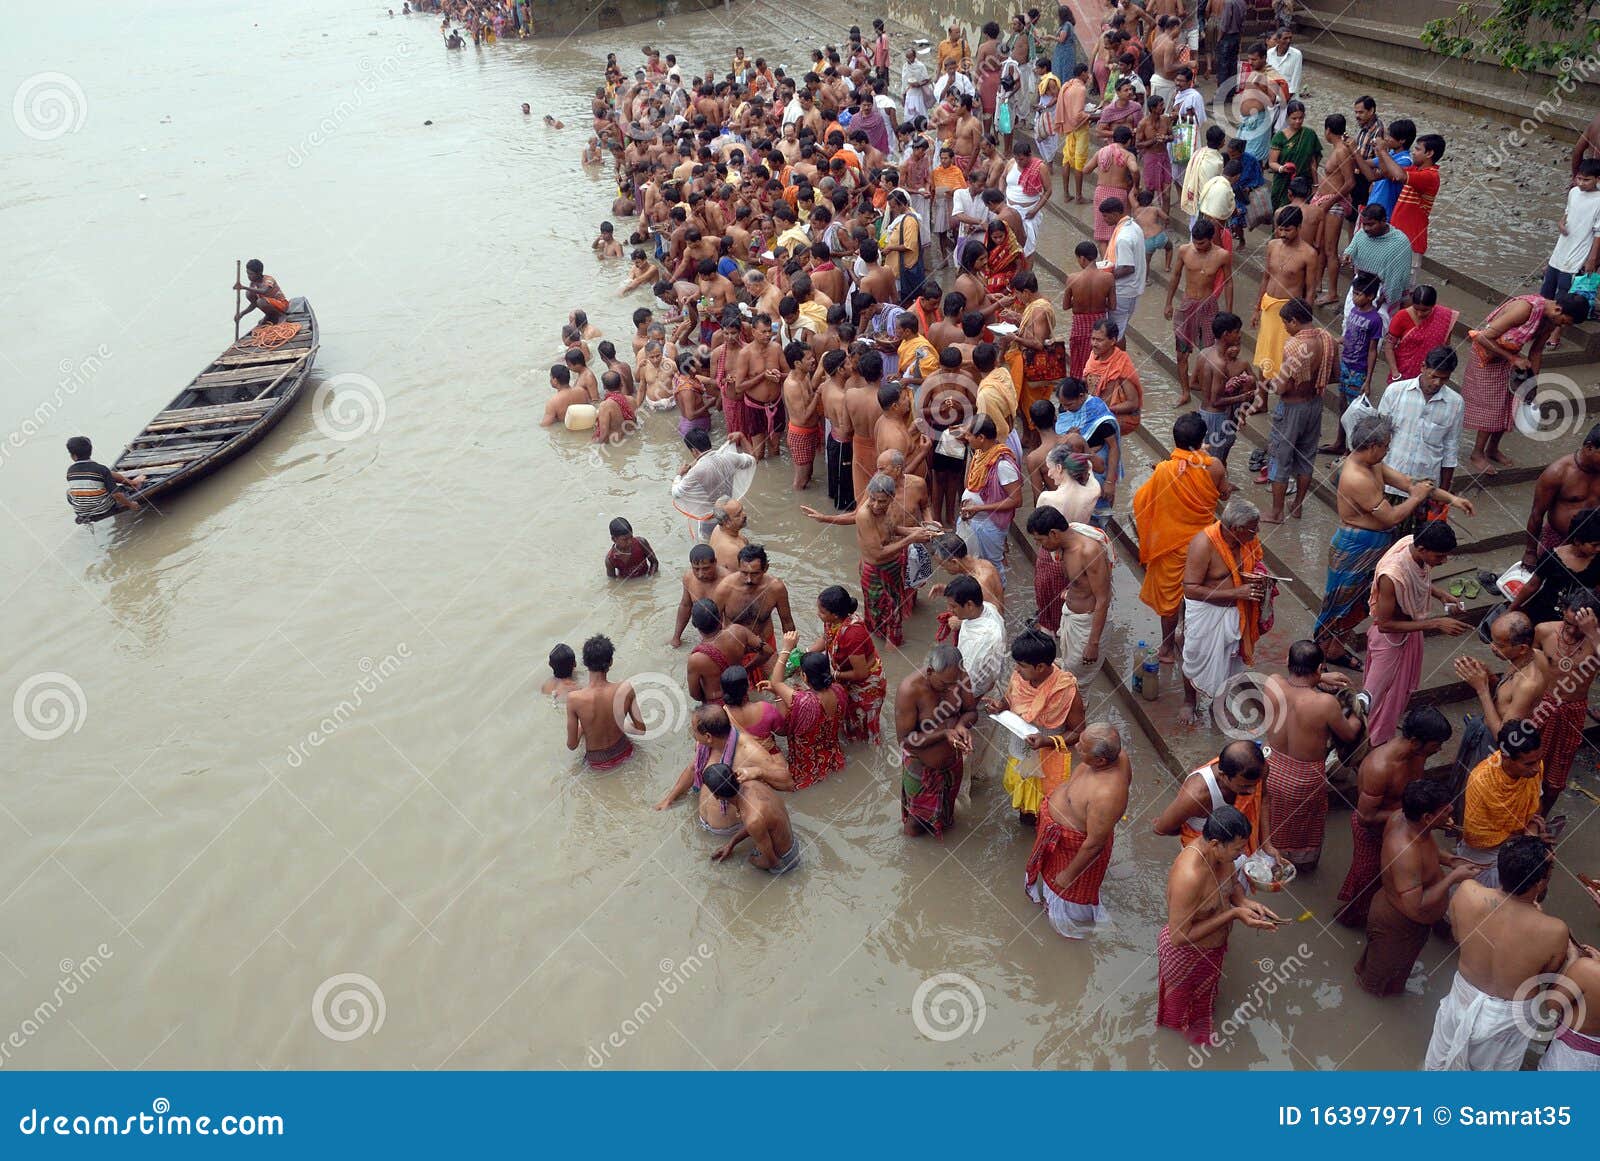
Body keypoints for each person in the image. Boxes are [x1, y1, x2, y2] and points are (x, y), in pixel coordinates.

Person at [1311, 415, 1471, 668]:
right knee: (1338, 606)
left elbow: (1409, 484)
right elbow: (1390, 518)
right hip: (1356, 547)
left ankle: (1335, 650)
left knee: (1363, 603)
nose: (1388, 450)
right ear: (1374, 445)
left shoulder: (1373, 464)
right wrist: (1417, 499)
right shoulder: (1356, 477)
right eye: (1386, 445)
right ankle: (1316, 661)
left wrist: (1452, 499)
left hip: (1377, 543)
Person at [1426, 836, 1572, 1070]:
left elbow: (1457, 935)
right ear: (1540, 884)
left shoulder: (1467, 892)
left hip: (1464, 995)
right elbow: (1547, 975)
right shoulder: (1554, 930)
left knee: (1442, 1059)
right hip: (1508, 1016)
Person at [1158, 806, 1282, 1045]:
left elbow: (1232, 885)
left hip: (1213, 952)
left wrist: (1245, 902)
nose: (1241, 854)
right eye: (1237, 849)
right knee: (1177, 1014)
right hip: (1184, 957)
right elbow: (1178, 937)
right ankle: (1173, 1051)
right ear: (1216, 844)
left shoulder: (1223, 857)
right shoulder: (1190, 876)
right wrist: (1234, 914)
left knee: (1204, 1000)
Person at [1356, 778, 1479, 997]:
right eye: (1446, 810)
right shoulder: (1405, 851)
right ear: (1427, 817)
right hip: (1398, 923)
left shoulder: (1404, 819)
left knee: (1389, 967)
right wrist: (1453, 878)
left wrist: (1450, 860)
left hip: (1406, 919)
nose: (1451, 812)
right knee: (1378, 977)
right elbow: (1417, 902)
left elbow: (1428, 851)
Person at [1336, 707, 1454, 929]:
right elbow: (1365, 817)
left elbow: (1415, 793)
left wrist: (1433, 814)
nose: (1440, 749)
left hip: (1403, 827)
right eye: (1436, 744)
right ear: (1417, 741)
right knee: (1367, 881)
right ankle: (1350, 918)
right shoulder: (1379, 767)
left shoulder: (1418, 755)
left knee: (1394, 879)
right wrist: (1415, 816)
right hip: (1372, 833)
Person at [1260, 641, 1365, 871]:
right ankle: (1302, 867)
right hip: (1303, 780)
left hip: (1270, 767)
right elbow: (1348, 735)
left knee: (1270, 816)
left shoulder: (1272, 683)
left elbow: (1295, 684)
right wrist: (1359, 710)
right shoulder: (1324, 703)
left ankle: (1269, 860)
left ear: (1288, 662)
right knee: (1304, 827)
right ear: (1319, 667)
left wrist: (1321, 677)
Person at [1361, 523, 1469, 746]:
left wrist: (1440, 594)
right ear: (1421, 548)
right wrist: (1436, 623)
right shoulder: (1391, 576)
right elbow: (1384, 624)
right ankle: (1361, 744)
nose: (1443, 561)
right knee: (1372, 698)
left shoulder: (1412, 545)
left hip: (1410, 630)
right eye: (1440, 556)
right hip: (1389, 640)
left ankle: (1379, 735)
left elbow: (1416, 579)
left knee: (1396, 696)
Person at [1462, 292, 1592, 474]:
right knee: (1492, 407)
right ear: (1558, 309)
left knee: (1509, 404)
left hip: (1511, 356)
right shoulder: (1525, 309)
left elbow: (1537, 352)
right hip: (1487, 356)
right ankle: (1477, 453)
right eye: (1563, 321)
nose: (1561, 326)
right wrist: (1513, 359)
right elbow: (1482, 337)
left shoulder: (1550, 319)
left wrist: (1532, 384)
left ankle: (1492, 449)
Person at [1133, 413, 1227, 663]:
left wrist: (1163, 475)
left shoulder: (1164, 469)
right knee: (1195, 596)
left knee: (1169, 601)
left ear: (1175, 440)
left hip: (1171, 546)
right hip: (1204, 545)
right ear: (1202, 439)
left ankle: (1165, 649)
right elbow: (1224, 494)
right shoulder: (1214, 466)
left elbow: (1142, 502)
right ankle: (1188, 641)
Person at [801, 473, 933, 646]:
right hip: (875, 573)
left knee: (893, 612)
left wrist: (919, 531)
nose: (876, 505)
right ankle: (889, 651)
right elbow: (878, 553)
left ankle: (886, 645)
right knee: (883, 614)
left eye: (882, 501)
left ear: (892, 498)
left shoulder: (891, 508)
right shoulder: (865, 516)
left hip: (893, 567)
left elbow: (893, 529)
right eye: (873, 499)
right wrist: (912, 538)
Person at [1024, 724, 1130, 938]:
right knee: (1046, 883)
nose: (1077, 747)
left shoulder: (1108, 794)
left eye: (1082, 748)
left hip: (1074, 849)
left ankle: (1071, 944)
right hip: (1055, 837)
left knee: (1067, 903)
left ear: (1101, 761)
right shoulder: (1114, 756)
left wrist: (1068, 874)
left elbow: (1094, 844)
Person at [984, 628, 1085, 824]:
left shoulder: (1067, 692)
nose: (1016, 670)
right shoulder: (1021, 678)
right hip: (1019, 752)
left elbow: (1079, 733)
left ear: (1040, 667)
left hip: (1047, 759)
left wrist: (1046, 741)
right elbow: (1011, 698)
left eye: (1021, 665)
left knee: (1047, 810)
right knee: (1025, 809)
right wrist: (1001, 705)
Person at [1180, 496, 1268, 722]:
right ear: (1236, 528)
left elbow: (1257, 564)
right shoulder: (1204, 544)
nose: (1256, 532)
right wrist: (1235, 593)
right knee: (1194, 657)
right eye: (1252, 529)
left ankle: (1219, 703)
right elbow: (1190, 589)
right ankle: (1190, 702)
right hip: (1207, 612)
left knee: (1231, 661)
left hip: (1238, 612)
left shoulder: (1247, 541)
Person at [655, 704, 790, 832]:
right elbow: (693, 768)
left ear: (708, 736)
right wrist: (669, 799)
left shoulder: (748, 750)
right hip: (703, 823)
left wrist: (759, 772)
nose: (692, 733)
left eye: (694, 730)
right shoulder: (704, 745)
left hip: (733, 830)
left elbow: (787, 781)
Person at [1374, 346, 1464, 530]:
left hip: (1425, 489)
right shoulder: (1395, 392)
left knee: (1412, 542)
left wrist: (1443, 495)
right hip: (1388, 483)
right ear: (1423, 367)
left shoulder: (1455, 403)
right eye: (1434, 376)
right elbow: (1377, 437)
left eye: (1444, 378)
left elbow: (1450, 450)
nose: (1438, 382)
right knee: (1380, 538)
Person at [895, 645, 978, 837]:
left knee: (947, 815)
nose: (951, 688)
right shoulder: (909, 690)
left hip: (952, 763)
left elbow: (971, 711)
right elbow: (906, 740)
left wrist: (961, 726)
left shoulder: (960, 677)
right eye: (945, 684)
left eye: (954, 683)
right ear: (930, 671)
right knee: (915, 825)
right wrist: (944, 734)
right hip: (921, 766)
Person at [1530, 592, 1600, 814]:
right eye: (1568, 623)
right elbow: (1526, 667)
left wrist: (1592, 634)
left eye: (1578, 627)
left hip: (1572, 711)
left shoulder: (1595, 640)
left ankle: (1540, 819)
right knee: (1524, 763)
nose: (1571, 631)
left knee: (1554, 780)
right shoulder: (1544, 630)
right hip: (1540, 705)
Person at [1457, 720, 1549, 887]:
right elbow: (1477, 835)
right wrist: (1528, 839)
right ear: (1506, 756)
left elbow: (1537, 800)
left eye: (1538, 760)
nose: (1536, 768)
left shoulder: (1534, 767)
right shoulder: (1481, 782)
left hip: (1521, 840)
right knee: (1477, 901)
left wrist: (1532, 830)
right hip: (1484, 853)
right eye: (1529, 763)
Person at [1023, 507, 1113, 667]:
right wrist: (1072, 590)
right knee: (1069, 668)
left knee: (1077, 682)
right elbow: (1079, 579)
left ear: (1054, 534)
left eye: (1040, 540)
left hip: (1086, 624)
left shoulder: (1089, 552)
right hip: (1071, 616)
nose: (1039, 546)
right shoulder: (1063, 547)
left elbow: (1103, 598)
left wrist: (1093, 643)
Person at [1162, 219, 1233, 405]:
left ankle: (1207, 392)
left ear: (1211, 239)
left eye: (1201, 243)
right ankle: (1185, 392)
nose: (1197, 246)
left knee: (1209, 353)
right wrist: (1168, 303)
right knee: (1181, 353)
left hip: (1209, 307)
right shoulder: (1185, 250)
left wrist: (1230, 312)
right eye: (1195, 241)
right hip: (1186, 306)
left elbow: (1228, 283)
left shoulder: (1222, 255)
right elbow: (1176, 275)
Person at [762, 638, 845, 790]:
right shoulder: (839, 690)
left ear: (805, 677)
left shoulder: (804, 701)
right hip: (833, 760)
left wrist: (786, 648)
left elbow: (776, 681)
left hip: (806, 769)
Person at [810, 586, 887, 745]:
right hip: (847, 676)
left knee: (865, 726)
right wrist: (807, 654)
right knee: (849, 718)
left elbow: (861, 673)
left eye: (822, 612)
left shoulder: (853, 634)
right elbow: (826, 638)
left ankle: (867, 751)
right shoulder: (833, 622)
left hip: (866, 685)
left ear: (835, 614)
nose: (818, 614)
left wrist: (834, 676)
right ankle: (851, 738)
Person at [1319, 273, 1383, 456]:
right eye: (1354, 293)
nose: (1355, 298)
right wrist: (1332, 341)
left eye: (1358, 294)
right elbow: (1348, 336)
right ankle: (1340, 443)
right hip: (1346, 364)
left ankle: (1350, 449)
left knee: (1354, 412)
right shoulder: (1354, 311)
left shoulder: (1375, 320)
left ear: (1370, 296)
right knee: (1342, 405)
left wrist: (1368, 380)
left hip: (1359, 370)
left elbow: (1372, 350)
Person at [1251, 208, 1317, 379]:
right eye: (1280, 229)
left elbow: (1310, 291)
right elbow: (1265, 277)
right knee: (1264, 356)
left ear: (1299, 227)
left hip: (1290, 313)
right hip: (1268, 307)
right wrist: (1256, 308)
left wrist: (1305, 321)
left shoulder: (1309, 254)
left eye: (1288, 229)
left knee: (1285, 358)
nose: (1282, 233)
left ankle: (1284, 400)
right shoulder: (1272, 246)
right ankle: (1262, 401)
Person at [958, 415, 1022, 585]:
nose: (965, 438)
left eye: (969, 435)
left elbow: (1016, 500)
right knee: (974, 567)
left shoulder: (1002, 464)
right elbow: (969, 485)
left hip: (990, 525)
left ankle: (997, 604)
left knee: (992, 568)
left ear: (981, 438)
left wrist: (979, 509)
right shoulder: (979, 454)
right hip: (974, 521)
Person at [705, 762, 802, 875]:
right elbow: (762, 823)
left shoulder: (753, 819)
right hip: (793, 845)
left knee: (741, 869)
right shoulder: (754, 784)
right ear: (736, 776)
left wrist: (749, 861)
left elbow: (772, 862)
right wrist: (731, 843)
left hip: (783, 862)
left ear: (715, 796)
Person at [564, 635, 645, 770]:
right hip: (626, 753)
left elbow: (572, 745)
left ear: (584, 662)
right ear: (611, 662)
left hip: (597, 763)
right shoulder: (626, 688)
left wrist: (584, 727)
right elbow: (641, 730)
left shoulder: (574, 699)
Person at [1522, 426, 1600, 564]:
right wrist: (1530, 552)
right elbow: (1536, 515)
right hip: (1559, 540)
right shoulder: (1557, 473)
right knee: (1550, 580)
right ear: (1589, 447)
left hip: (1594, 544)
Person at [1194, 312, 1257, 464]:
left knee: (1208, 459)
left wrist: (1220, 388)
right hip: (1216, 417)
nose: (1239, 336)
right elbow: (1216, 401)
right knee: (1213, 462)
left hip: (1204, 413)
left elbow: (1193, 384)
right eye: (1236, 332)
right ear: (1225, 334)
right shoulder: (1220, 363)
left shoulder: (1204, 353)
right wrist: (1243, 397)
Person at [671, 428, 754, 540]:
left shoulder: (697, 471)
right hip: (733, 514)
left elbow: (676, 493)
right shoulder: (730, 457)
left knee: (712, 548)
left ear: (694, 451)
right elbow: (753, 459)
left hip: (710, 520)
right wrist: (742, 437)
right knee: (739, 541)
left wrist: (679, 474)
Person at [685, 598, 767, 706]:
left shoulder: (696, 659)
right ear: (720, 618)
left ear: (695, 625)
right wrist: (744, 670)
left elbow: (695, 695)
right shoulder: (738, 631)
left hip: (716, 708)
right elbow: (767, 651)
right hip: (741, 699)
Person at [1543, 159, 1600, 300]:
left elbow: (1598, 233)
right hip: (1562, 247)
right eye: (1579, 178)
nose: (1581, 183)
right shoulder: (1574, 192)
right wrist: (1561, 223)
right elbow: (1567, 213)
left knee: (1565, 287)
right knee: (1547, 285)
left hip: (1579, 251)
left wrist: (1592, 259)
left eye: (1586, 180)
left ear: (1598, 179)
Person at [943, 576, 1008, 700]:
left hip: (976, 694)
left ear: (969, 605)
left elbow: (970, 681)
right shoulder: (988, 607)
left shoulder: (982, 639)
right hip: (988, 680)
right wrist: (961, 622)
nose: (949, 610)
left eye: (953, 606)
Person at [1382, 285, 1458, 385]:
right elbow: (1389, 347)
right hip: (1403, 372)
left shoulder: (1444, 317)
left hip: (1430, 375)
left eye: (1425, 310)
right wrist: (1395, 373)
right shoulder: (1401, 317)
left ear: (1433, 305)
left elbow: (1445, 347)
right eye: (1416, 309)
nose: (1419, 314)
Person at [1063, 240, 1116, 378]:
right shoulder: (1108, 278)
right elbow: (1112, 306)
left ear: (1082, 258)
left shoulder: (1072, 278)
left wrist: (1079, 302)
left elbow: (1065, 306)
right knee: (1098, 359)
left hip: (1079, 326)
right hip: (1099, 326)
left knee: (1078, 363)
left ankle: (1078, 388)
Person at [1081, 321, 1142, 434]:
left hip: (1115, 418)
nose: (1094, 343)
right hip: (1094, 413)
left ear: (1113, 341)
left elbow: (1133, 403)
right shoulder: (1093, 356)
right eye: (1093, 339)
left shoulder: (1122, 364)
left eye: (1099, 340)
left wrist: (1105, 410)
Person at [65, 436, 144, 520]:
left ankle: (132, 482)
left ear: (73, 456)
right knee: (120, 489)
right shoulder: (101, 469)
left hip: (81, 512)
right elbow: (116, 494)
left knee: (69, 491)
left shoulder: (70, 471)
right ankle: (134, 484)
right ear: (90, 451)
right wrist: (131, 505)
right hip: (104, 509)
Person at [670, 545, 725, 649]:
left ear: (715, 562)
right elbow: (685, 606)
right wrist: (676, 637)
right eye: (696, 569)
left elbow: (733, 617)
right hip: (700, 630)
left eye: (706, 568)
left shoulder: (727, 580)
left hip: (722, 633)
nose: (700, 574)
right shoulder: (688, 577)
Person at [234, 258, 290, 325]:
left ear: (259, 273)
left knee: (260, 301)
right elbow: (254, 304)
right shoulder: (253, 283)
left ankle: (281, 315)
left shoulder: (268, 280)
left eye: (251, 274)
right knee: (249, 294)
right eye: (248, 273)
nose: (249, 276)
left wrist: (244, 287)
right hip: (269, 304)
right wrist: (242, 314)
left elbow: (264, 291)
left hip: (282, 305)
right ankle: (269, 315)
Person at [708, 497, 749, 573]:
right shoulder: (731, 550)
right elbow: (743, 579)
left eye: (742, 510)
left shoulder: (718, 528)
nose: (744, 515)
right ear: (726, 523)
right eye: (738, 515)